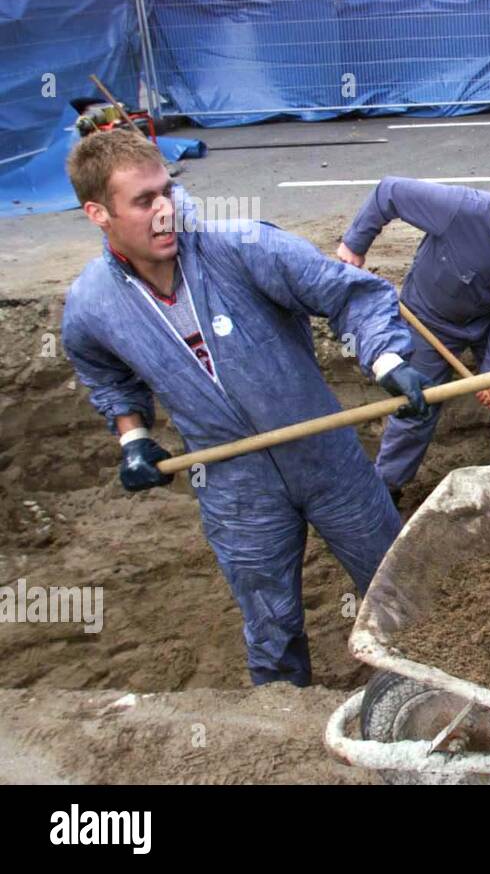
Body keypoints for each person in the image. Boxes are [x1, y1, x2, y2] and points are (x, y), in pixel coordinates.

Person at [61, 130, 433, 687]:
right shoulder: (94, 303)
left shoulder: (237, 245)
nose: (165, 210)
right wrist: (132, 437)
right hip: (233, 479)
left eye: (166, 190)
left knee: (395, 582)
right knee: (269, 620)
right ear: (98, 213)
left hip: (323, 453)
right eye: (143, 201)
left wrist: (385, 360)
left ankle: (432, 685)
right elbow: (101, 370)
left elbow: (349, 293)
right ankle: (279, 718)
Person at [337, 172, 490, 501]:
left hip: (487, 323)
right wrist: (354, 245)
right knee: (418, 401)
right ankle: (387, 488)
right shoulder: (462, 209)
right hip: (429, 320)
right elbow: (388, 191)